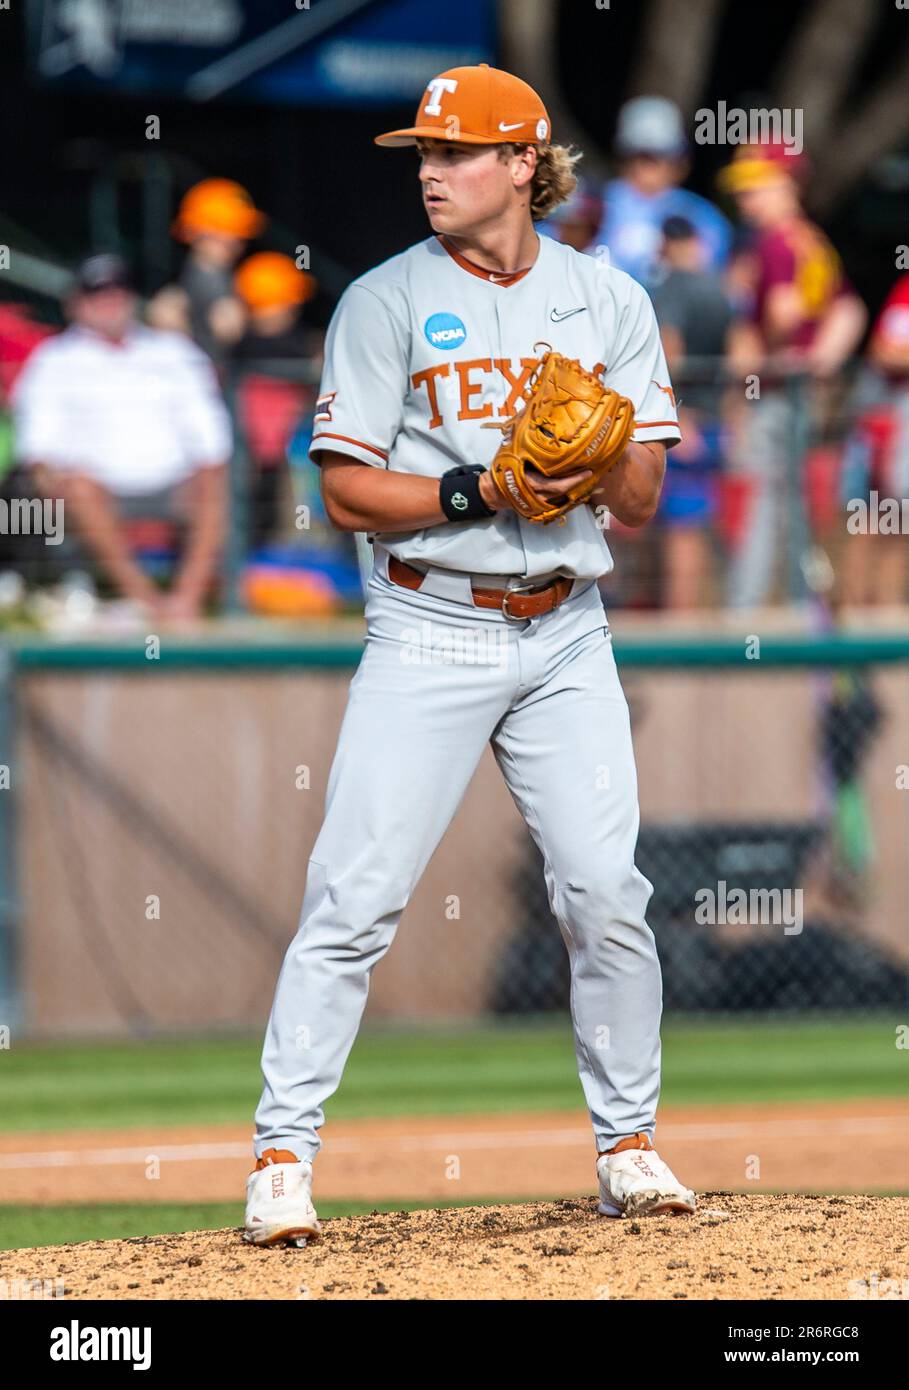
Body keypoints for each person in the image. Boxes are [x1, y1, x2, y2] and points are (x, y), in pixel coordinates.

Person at [244, 63, 695, 1248]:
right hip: (427, 623)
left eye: (454, 152)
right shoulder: (384, 300)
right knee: (354, 896)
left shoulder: (612, 301)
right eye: (424, 155)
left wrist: (598, 444)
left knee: (606, 893)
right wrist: (475, 482)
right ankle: (282, 1156)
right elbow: (342, 491)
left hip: (565, 630)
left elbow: (642, 500)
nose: (431, 172)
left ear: (522, 165)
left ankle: (629, 1145)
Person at [12, 253, 231, 622]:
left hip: (171, 484)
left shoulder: (174, 351)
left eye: (118, 290)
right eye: (98, 293)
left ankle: (184, 604)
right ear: (75, 304)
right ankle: (148, 602)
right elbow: (38, 451)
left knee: (215, 482)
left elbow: (212, 443)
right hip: (90, 489)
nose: (110, 301)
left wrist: (209, 470)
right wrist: (56, 484)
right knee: (74, 487)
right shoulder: (53, 360)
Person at [718, 141, 867, 608]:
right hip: (797, 392)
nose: (746, 201)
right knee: (794, 505)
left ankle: (744, 615)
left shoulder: (776, 241)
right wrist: (820, 358)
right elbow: (850, 310)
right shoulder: (812, 240)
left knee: (761, 501)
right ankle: (804, 611)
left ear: (788, 185)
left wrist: (758, 358)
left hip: (777, 394)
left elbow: (783, 315)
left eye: (756, 189)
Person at [651, 216, 732, 607]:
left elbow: (671, 353)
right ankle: (690, 620)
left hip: (684, 422)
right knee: (696, 528)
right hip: (715, 419)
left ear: (665, 244)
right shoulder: (720, 290)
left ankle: (677, 630)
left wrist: (676, 415)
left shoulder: (671, 289)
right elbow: (744, 353)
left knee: (679, 533)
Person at [231, 252, 325, 548]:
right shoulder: (281, 346)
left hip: (276, 449)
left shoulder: (237, 342)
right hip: (268, 449)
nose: (295, 307)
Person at [597, 97, 732, 289]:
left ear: (679, 161)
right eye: (639, 156)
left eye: (657, 157)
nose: (646, 168)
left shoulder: (701, 215)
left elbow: (714, 288)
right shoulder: (595, 203)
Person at [838, 272, 909, 606]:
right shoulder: (906, 289)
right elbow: (885, 350)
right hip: (887, 427)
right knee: (869, 520)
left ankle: (887, 619)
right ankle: (852, 627)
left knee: (900, 527)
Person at [147, 178, 266, 368]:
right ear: (194, 232)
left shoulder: (229, 277)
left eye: (238, 233)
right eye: (223, 231)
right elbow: (227, 328)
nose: (235, 241)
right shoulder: (200, 279)